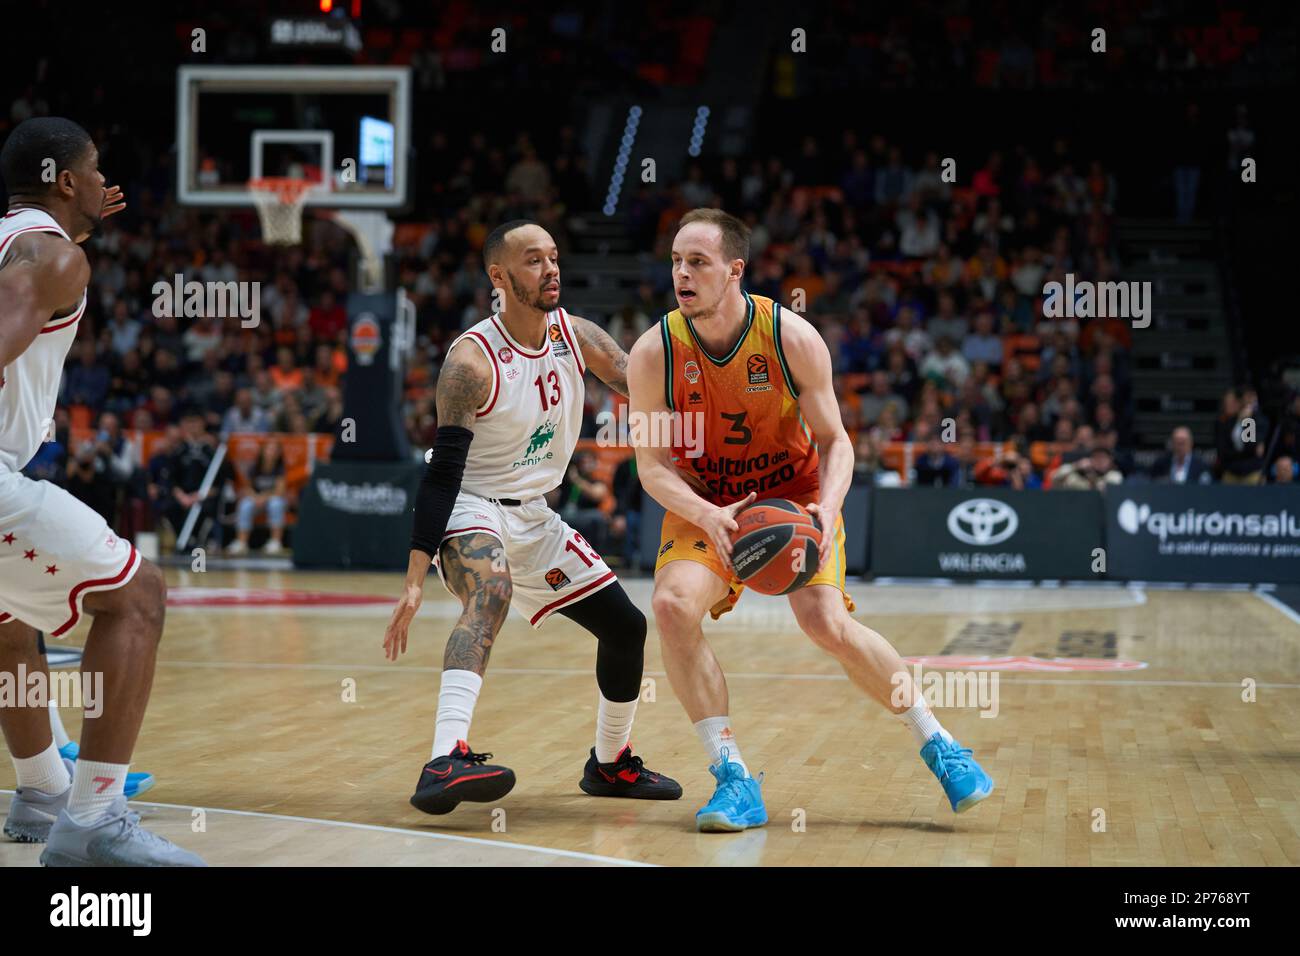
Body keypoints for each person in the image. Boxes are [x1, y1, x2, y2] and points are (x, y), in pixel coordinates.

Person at [627, 208, 993, 832]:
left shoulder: (790, 337)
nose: (681, 275)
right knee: (669, 606)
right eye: (676, 262)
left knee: (826, 623)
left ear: (734, 270)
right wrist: (708, 514)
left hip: (794, 498)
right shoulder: (655, 351)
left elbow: (838, 441)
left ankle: (940, 743)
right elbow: (652, 466)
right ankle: (734, 778)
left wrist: (827, 508)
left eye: (698, 262)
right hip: (707, 502)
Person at [382, 221, 680, 817]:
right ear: (499, 276)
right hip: (472, 504)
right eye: (532, 260)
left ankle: (609, 763)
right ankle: (445, 755)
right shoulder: (471, 361)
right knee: (489, 591)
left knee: (626, 627)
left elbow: (648, 386)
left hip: (536, 516)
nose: (551, 270)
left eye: (554, 257)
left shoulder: (578, 336)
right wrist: (415, 579)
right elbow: (442, 475)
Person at [0, 116, 201, 864]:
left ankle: (42, 791)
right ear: (64, 180)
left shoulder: (29, 243)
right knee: (138, 596)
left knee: (10, 623)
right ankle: (92, 823)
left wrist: (75, 228)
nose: (105, 182)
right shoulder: (52, 257)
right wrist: (68, 243)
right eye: (95, 170)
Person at [227, 439, 289, 556]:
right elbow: (247, 488)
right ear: (263, 451)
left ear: (279, 453)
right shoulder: (254, 466)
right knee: (245, 505)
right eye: (269, 449)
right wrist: (255, 497)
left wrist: (263, 498)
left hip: (271, 498)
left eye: (275, 450)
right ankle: (241, 542)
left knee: (276, 504)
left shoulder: (280, 468)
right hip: (256, 499)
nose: (271, 452)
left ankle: (276, 542)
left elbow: (279, 491)